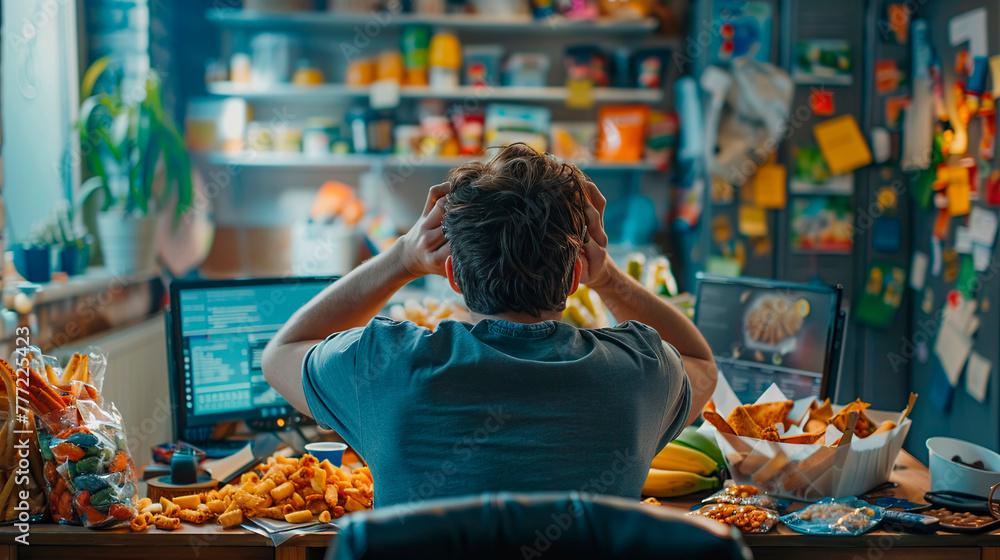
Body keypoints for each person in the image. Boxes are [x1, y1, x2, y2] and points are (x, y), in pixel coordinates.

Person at [262, 144, 717, 509]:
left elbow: (283, 352)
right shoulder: (640, 372)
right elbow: (699, 363)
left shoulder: (386, 363)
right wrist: (609, 277)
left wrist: (403, 257)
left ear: (454, 276)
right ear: (577, 275)